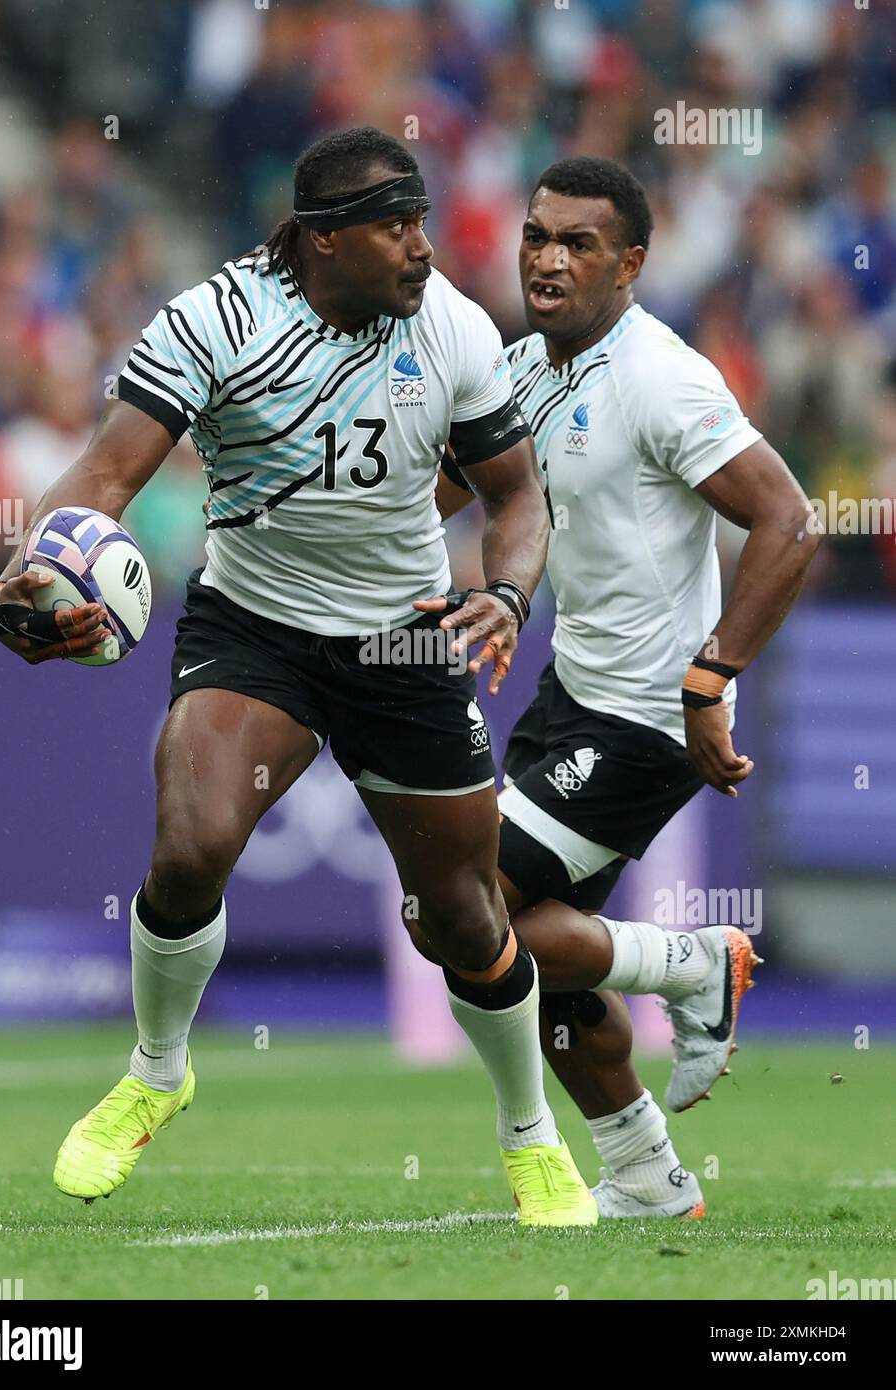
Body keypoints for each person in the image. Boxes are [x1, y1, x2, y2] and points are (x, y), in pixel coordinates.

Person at [0, 128, 597, 1227]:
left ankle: (528, 1134)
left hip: (402, 640)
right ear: (321, 241)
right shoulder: (215, 322)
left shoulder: (450, 326)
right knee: (190, 842)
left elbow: (515, 496)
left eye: (421, 222)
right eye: (394, 227)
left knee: (460, 912)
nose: (421, 247)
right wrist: (35, 566)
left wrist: (502, 595)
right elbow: (106, 473)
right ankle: (158, 1071)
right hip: (254, 623)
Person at [422, 156, 820, 1218]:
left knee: (453, 909)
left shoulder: (662, 376)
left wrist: (710, 676)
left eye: (577, 243)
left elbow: (786, 521)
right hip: (567, 696)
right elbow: (434, 492)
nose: (547, 259)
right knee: (517, 962)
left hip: (644, 715)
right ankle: (646, 1176)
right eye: (536, 236)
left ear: (630, 264)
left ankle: (692, 964)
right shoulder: (515, 371)